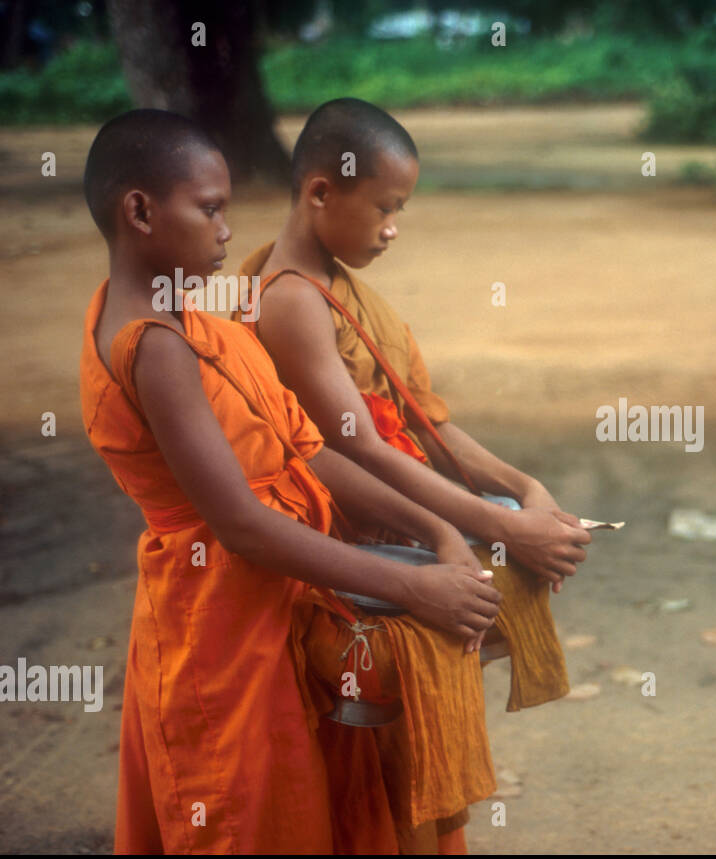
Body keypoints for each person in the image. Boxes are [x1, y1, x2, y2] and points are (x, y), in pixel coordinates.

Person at [79, 109, 499, 854]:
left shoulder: (201, 322)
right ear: (139, 211)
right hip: (223, 618)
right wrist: (408, 586)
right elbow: (238, 524)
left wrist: (438, 534)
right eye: (209, 209)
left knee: (324, 800)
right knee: (255, 815)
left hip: (293, 589)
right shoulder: (153, 348)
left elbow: (312, 453)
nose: (226, 232)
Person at [235, 98, 590, 715]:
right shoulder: (290, 300)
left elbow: (425, 423)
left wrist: (526, 491)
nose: (393, 227)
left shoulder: (337, 286)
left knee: (513, 524)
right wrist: (499, 528)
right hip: (352, 524)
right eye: (385, 207)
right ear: (320, 191)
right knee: (494, 555)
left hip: (401, 498)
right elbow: (358, 447)